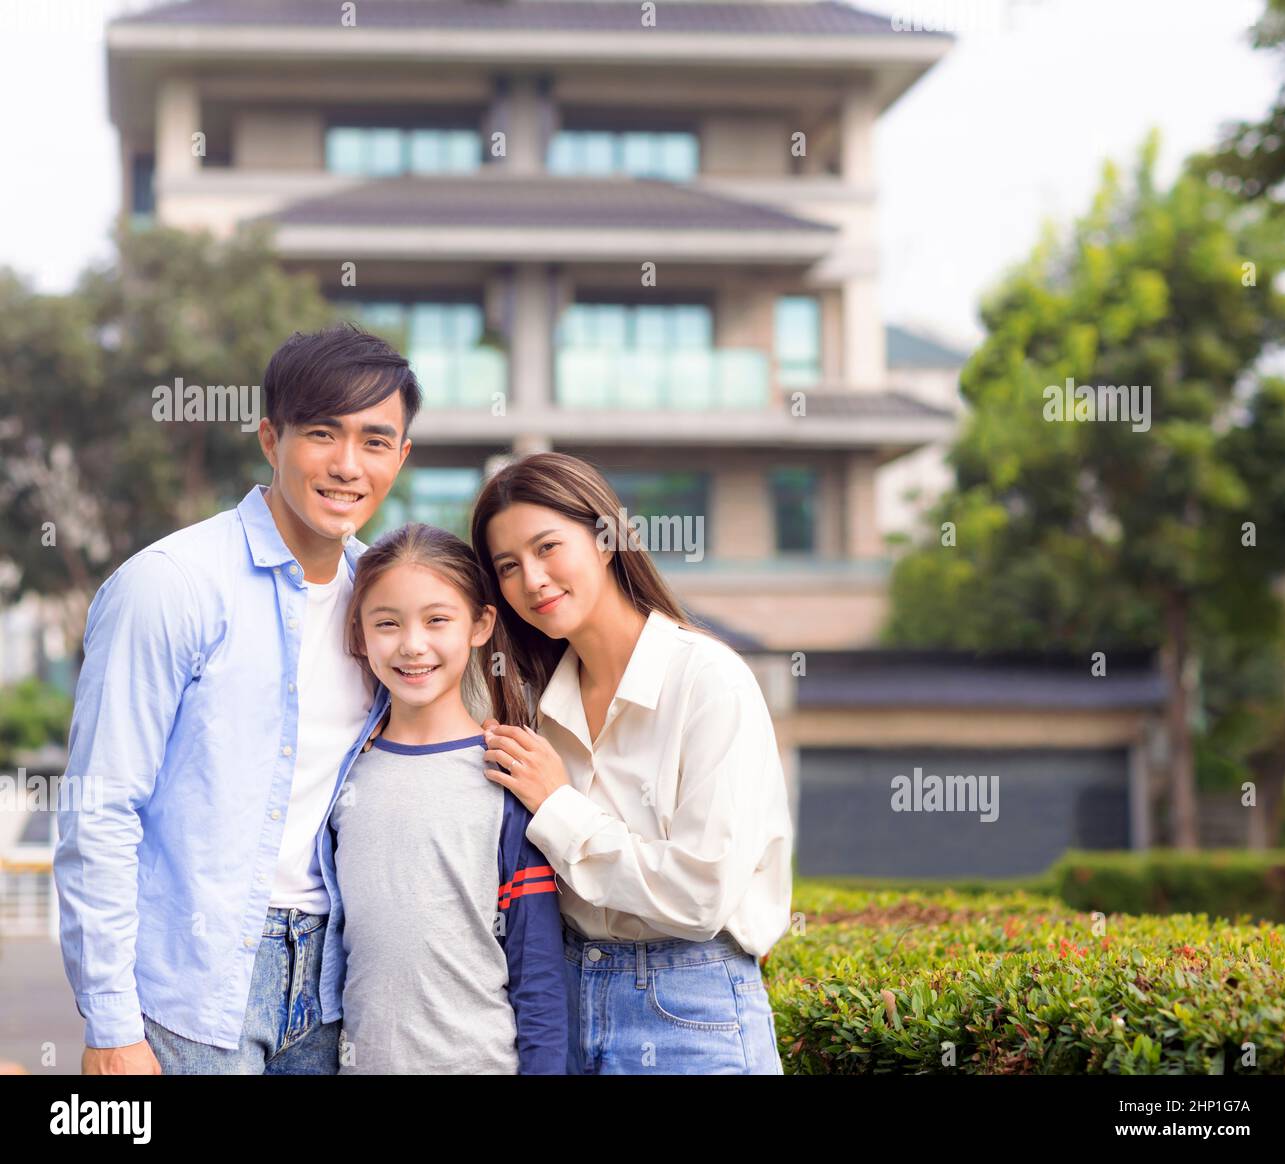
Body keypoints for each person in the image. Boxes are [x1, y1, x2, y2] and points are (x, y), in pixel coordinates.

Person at [53, 322, 418, 1074]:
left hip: (332, 986)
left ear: (401, 456)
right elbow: (100, 809)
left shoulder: (384, 599)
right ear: (270, 438)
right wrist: (111, 1025)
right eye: (322, 433)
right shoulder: (172, 583)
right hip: (188, 987)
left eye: (376, 441)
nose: (348, 465)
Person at [468, 451, 794, 1075]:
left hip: (688, 1009)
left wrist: (559, 807)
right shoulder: (531, 702)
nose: (531, 579)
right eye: (508, 567)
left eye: (547, 548)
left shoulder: (707, 681)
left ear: (608, 539)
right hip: (561, 1001)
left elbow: (702, 895)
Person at [320, 522, 566, 1074]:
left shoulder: (509, 775)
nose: (412, 645)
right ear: (359, 634)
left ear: (479, 625)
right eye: (387, 623)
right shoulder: (340, 779)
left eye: (437, 620)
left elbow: (538, 969)